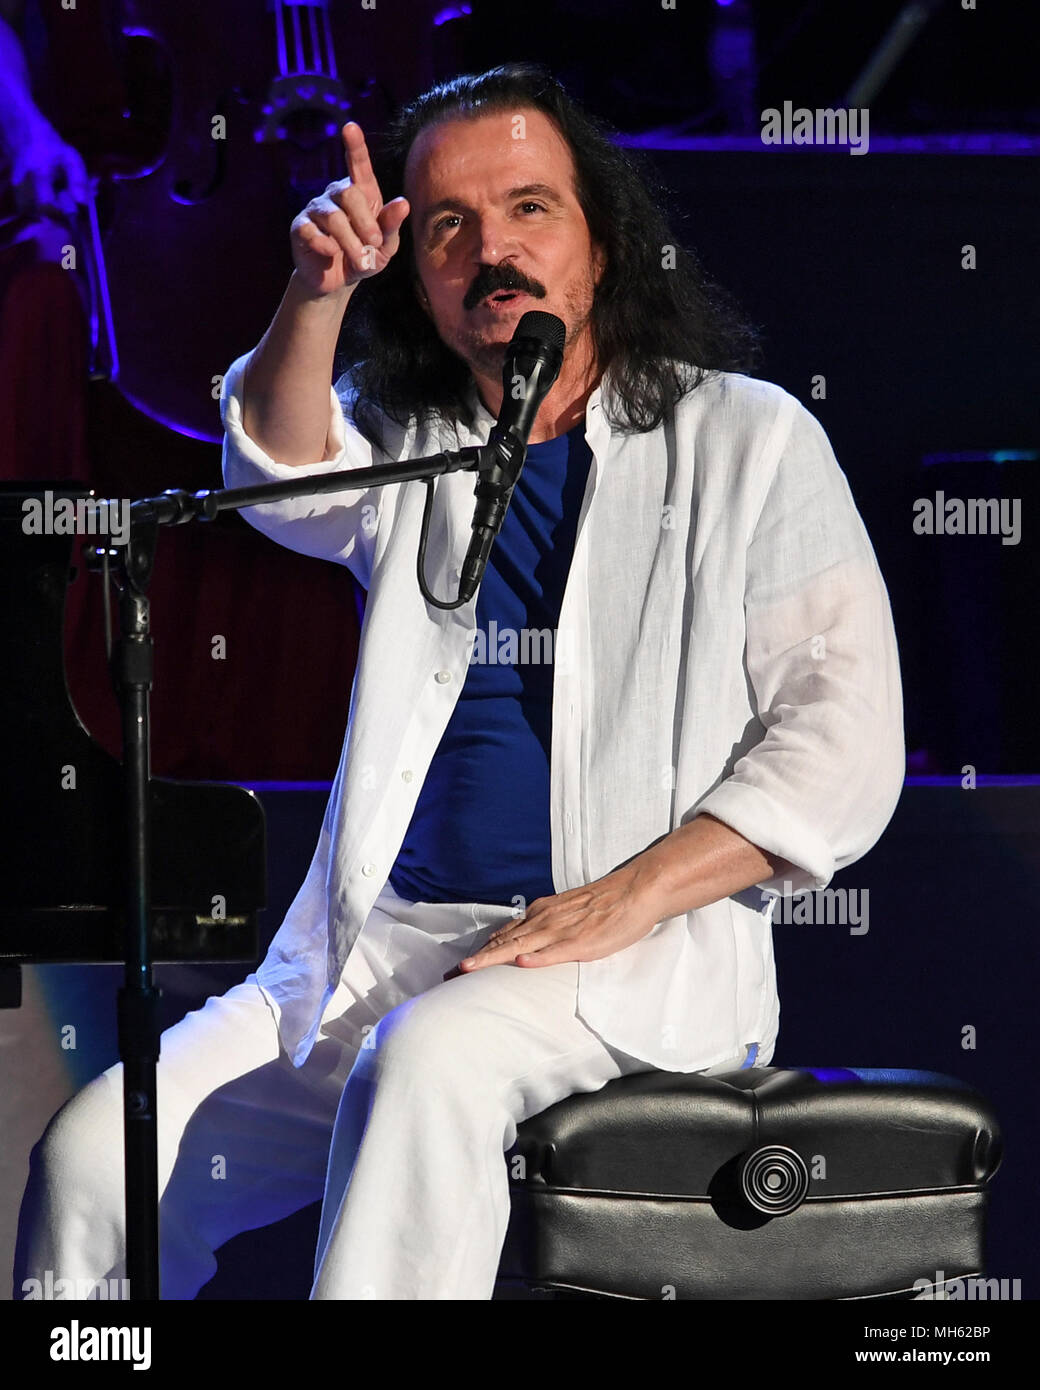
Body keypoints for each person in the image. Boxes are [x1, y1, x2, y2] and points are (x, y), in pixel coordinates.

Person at [14, 62, 904, 1301]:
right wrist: (316, 290)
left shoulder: (745, 439)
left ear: (600, 240)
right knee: (94, 1160)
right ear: (419, 277)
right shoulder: (410, 441)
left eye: (529, 208)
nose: (494, 250)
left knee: (424, 1065)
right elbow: (277, 458)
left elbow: (838, 740)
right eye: (448, 226)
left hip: (623, 968)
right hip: (377, 961)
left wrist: (621, 898)